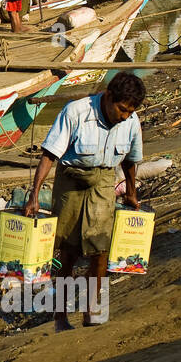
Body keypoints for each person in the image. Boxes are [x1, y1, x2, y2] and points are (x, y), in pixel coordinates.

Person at [25, 72, 146, 332]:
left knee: (100, 250)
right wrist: (34, 195)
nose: (124, 116)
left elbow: (130, 160)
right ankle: (60, 316)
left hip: (103, 181)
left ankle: (91, 309)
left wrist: (131, 191)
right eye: (121, 109)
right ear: (108, 96)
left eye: (129, 111)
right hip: (71, 180)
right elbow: (49, 154)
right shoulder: (76, 112)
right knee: (68, 252)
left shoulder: (131, 121)